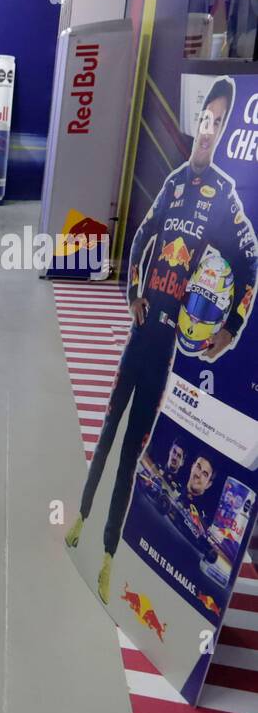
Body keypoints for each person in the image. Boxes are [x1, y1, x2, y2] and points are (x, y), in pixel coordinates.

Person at [66, 77, 257, 604]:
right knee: (106, 433)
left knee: (132, 453)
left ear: (222, 133)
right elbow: (142, 238)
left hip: (169, 354)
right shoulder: (173, 183)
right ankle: (81, 519)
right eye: (205, 118)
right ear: (196, 121)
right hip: (137, 341)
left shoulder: (225, 198)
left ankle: (108, 555)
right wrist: (132, 294)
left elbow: (249, 264)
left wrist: (232, 328)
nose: (208, 129)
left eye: (219, 122)